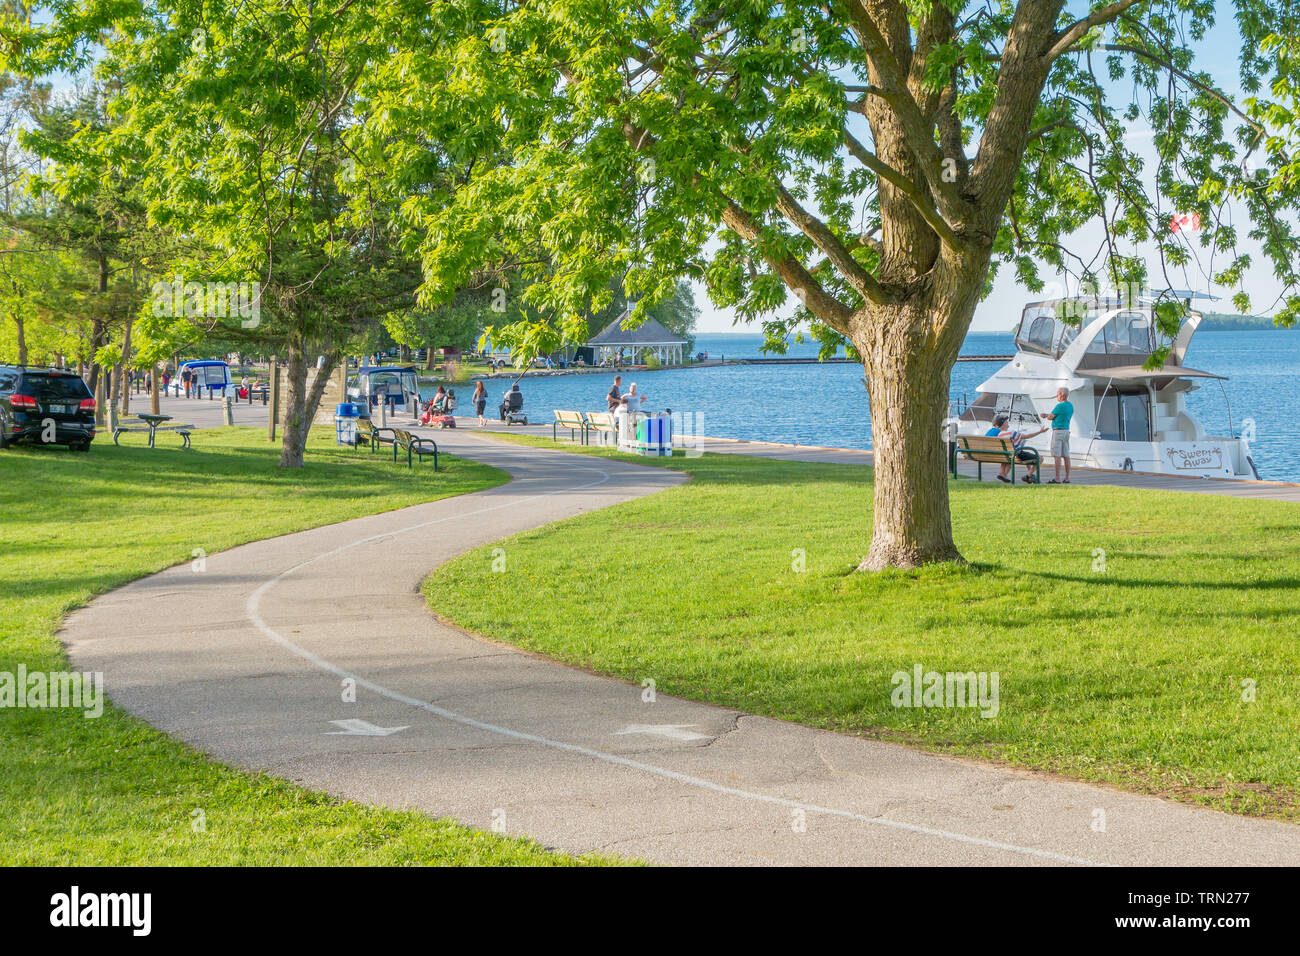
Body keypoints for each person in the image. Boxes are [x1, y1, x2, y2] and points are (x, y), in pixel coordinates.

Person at [986, 413, 1046, 483]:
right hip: (1018, 455)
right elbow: (1027, 436)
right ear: (1003, 424)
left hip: (1008, 455)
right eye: (1006, 421)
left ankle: (1003, 474)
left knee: (1010, 456)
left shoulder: (999, 435)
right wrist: (1040, 432)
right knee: (1040, 458)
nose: (1007, 422)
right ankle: (1028, 476)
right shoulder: (1012, 433)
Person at [1041, 387, 1075, 483]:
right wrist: (1048, 415)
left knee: (1057, 455)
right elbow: (1058, 415)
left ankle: (1057, 478)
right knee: (1066, 455)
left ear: (1060, 394)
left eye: (1057, 394)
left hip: (1058, 432)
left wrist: (1046, 415)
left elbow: (1051, 417)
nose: (1057, 396)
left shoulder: (1059, 406)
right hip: (1066, 431)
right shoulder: (1070, 405)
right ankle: (1067, 478)